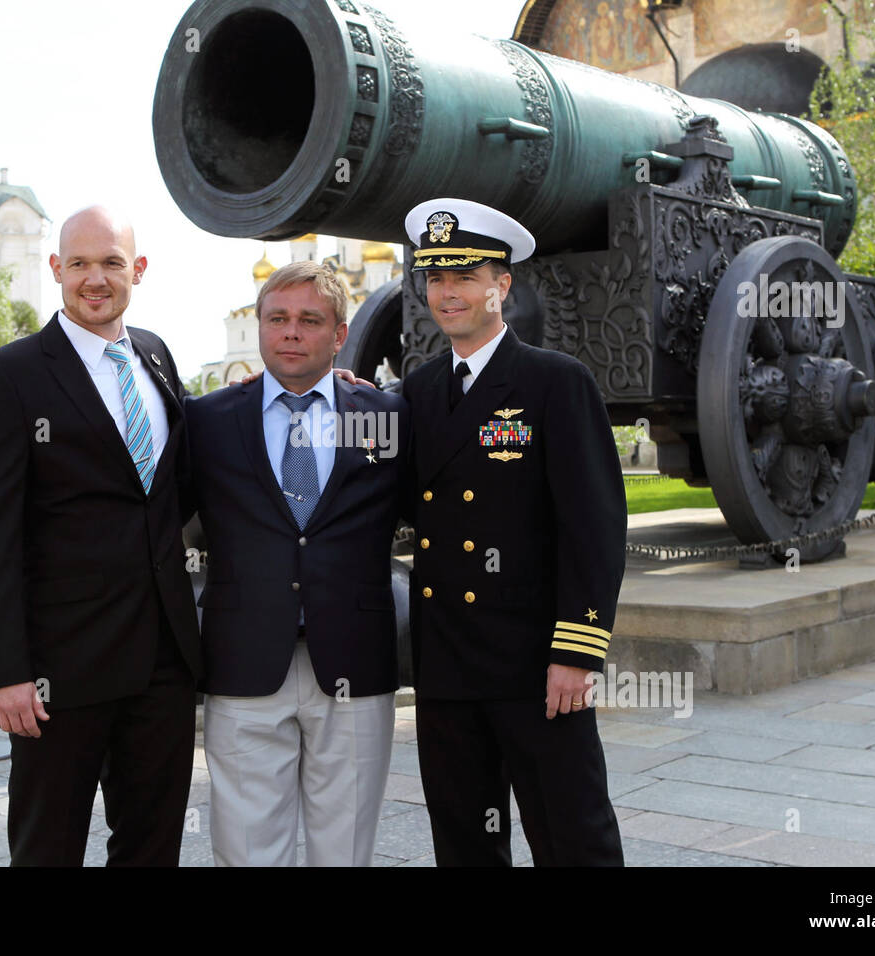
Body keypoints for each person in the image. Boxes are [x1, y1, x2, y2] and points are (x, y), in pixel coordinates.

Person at [0, 206, 202, 866]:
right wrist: (3, 673)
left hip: (164, 661)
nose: (96, 279)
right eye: (81, 264)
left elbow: (180, 477)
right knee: (48, 847)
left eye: (112, 263)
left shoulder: (154, 354)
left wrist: (311, 386)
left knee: (152, 845)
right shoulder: (9, 375)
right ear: (56, 269)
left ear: (138, 271)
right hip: (56, 672)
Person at [399, 197, 627, 866]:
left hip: (534, 663)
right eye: (436, 278)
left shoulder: (555, 382)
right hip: (446, 664)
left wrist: (578, 652)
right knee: (465, 840)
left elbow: (595, 527)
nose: (448, 293)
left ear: (502, 285)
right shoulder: (416, 391)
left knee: (571, 834)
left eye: (465, 276)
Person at [185, 261, 409, 866]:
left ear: (338, 335)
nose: (291, 332)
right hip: (243, 661)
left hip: (355, 664)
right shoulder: (205, 420)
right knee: (248, 847)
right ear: (258, 328)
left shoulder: (384, 416)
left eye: (310, 320)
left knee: (346, 847)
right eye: (277, 318)